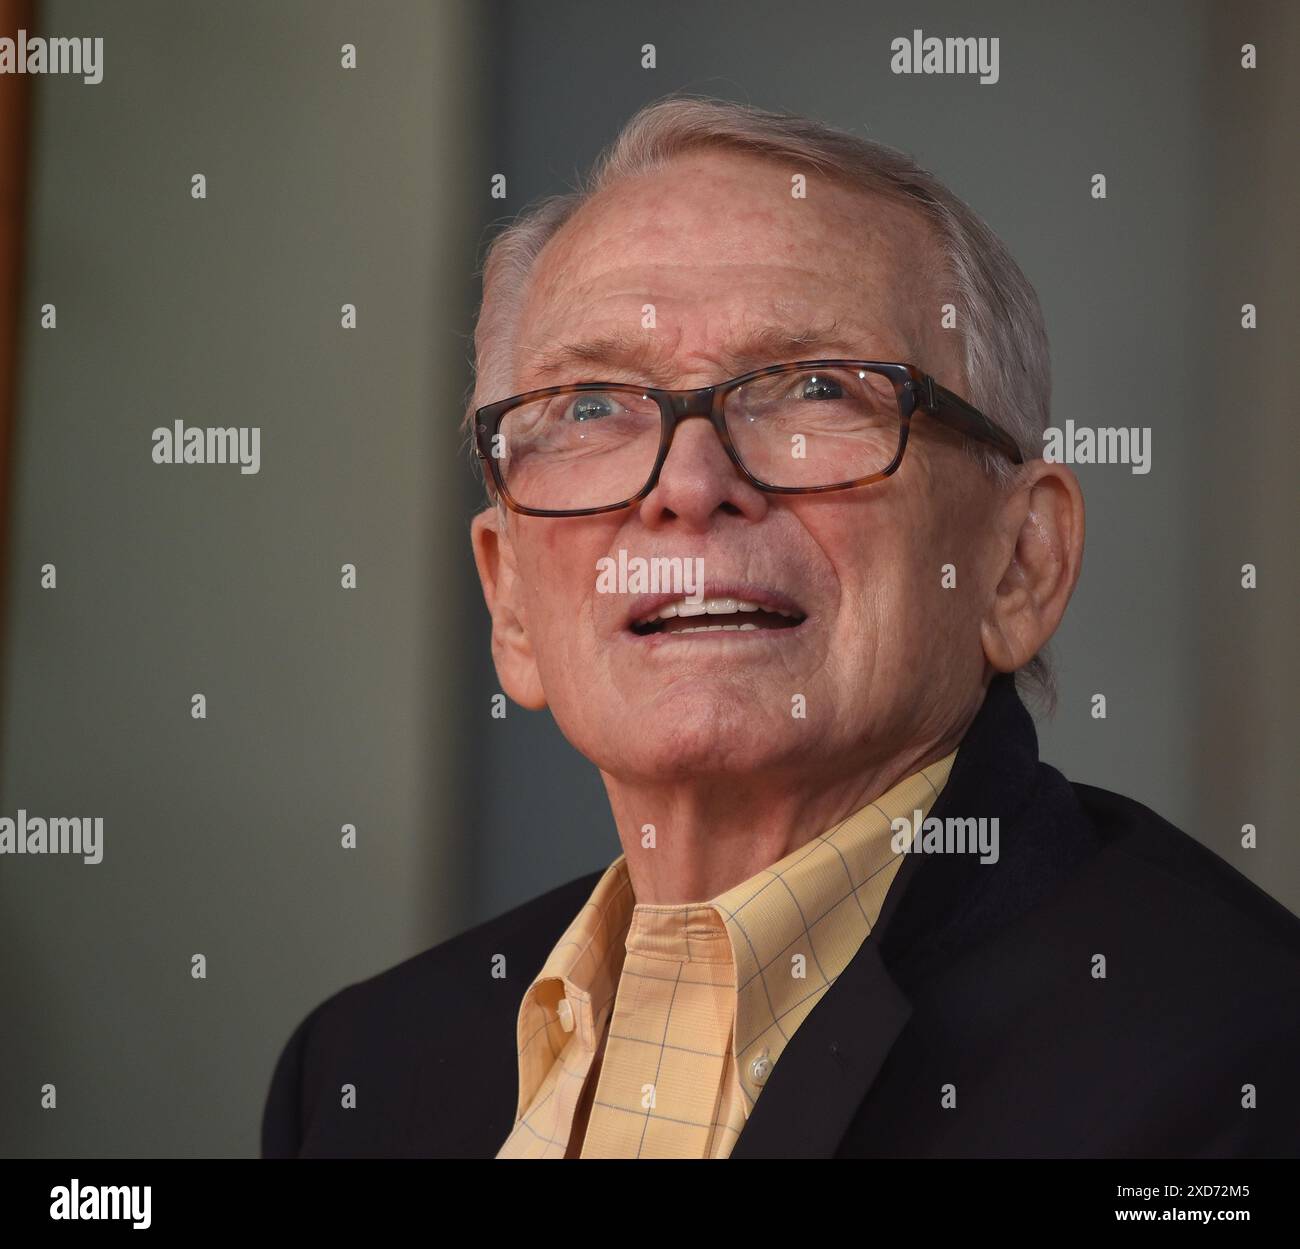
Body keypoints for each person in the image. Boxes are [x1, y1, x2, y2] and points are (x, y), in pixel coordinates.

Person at [262, 96, 1300, 1159]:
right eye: (587, 405)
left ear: (1018, 562)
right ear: (511, 598)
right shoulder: (359, 1073)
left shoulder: (1238, 1063)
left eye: (814, 387)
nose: (690, 483)